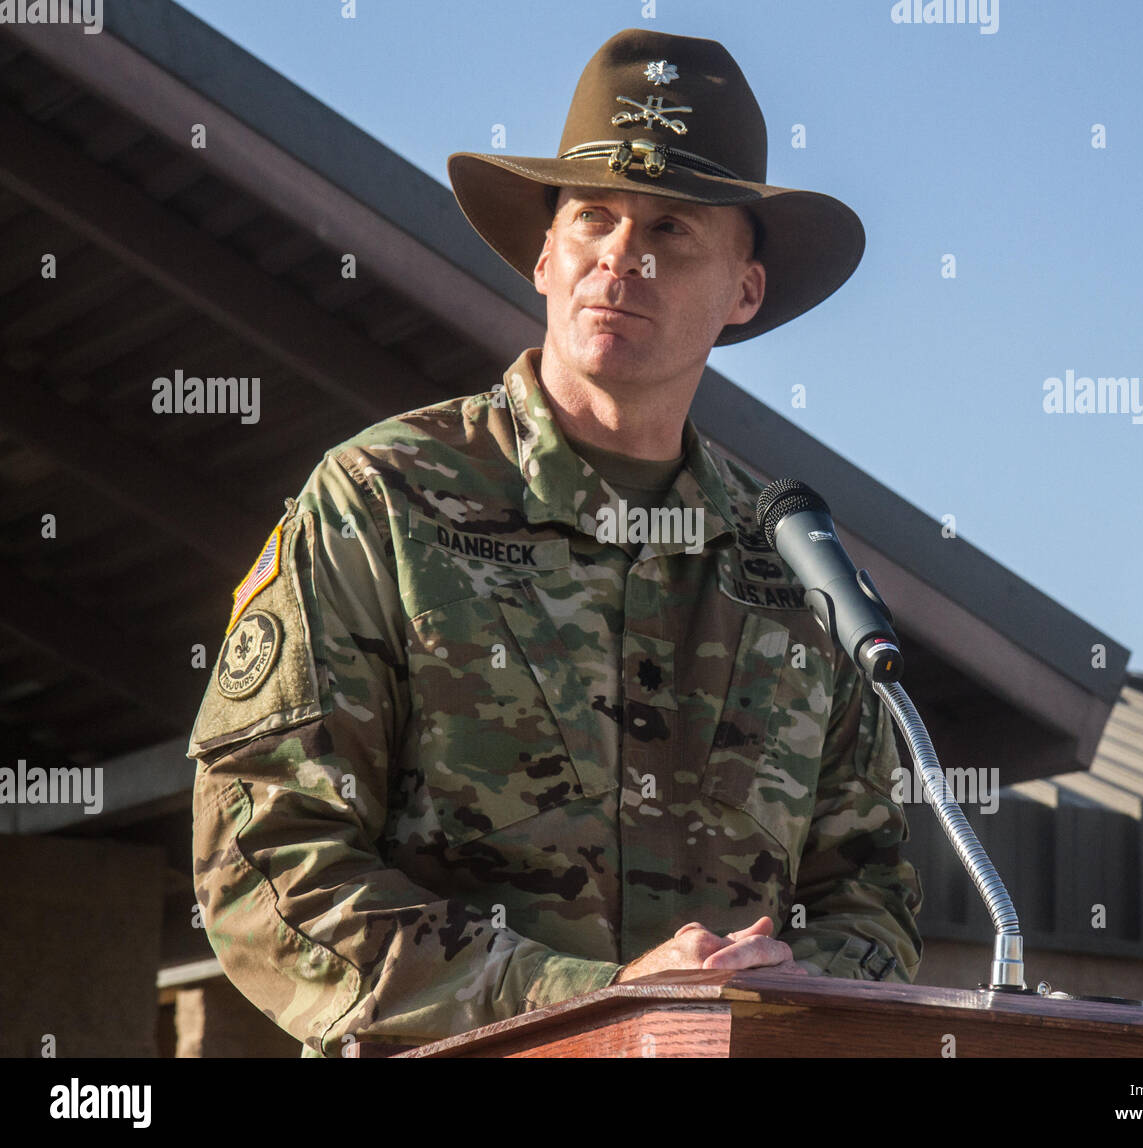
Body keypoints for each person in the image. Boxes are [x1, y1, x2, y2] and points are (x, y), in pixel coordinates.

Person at [189, 27, 922, 1058]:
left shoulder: (794, 567)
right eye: (593, 218)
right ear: (545, 254)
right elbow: (266, 861)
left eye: (669, 228)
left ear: (744, 291)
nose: (621, 256)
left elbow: (873, 891)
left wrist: (788, 998)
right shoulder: (383, 499)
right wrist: (592, 1003)